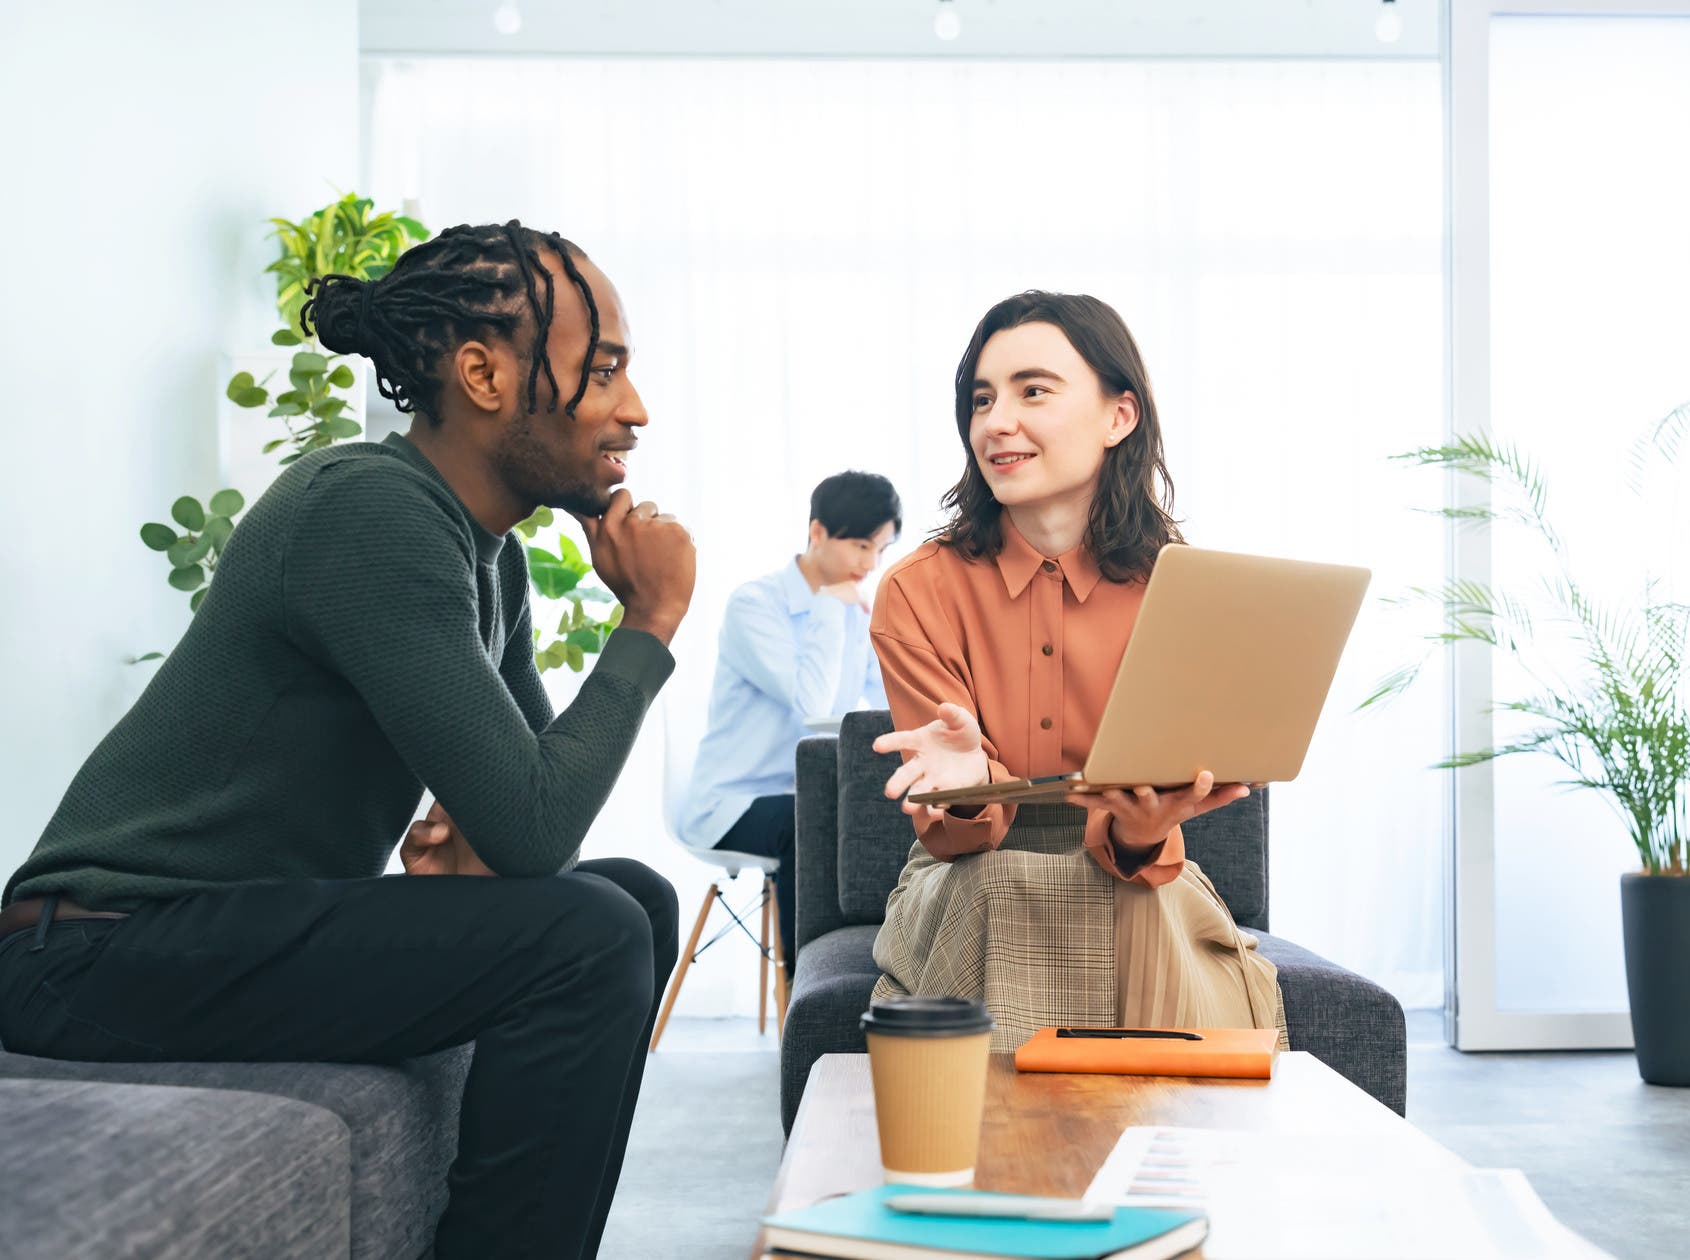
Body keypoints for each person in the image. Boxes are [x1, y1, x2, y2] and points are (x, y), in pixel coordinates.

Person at [0, 221, 694, 1260]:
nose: (633, 411)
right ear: (483, 374)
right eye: (602, 372)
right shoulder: (369, 509)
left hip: (215, 930)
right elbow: (536, 827)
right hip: (96, 950)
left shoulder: (485, 560)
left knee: (629, 900)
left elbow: (528, 814)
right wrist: (645, 625)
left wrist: (484, 843)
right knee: (587, 936)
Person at [867, 291, 1289, 1051]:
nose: (996, 422)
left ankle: (1156, 1160)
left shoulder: (1181, 591)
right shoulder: (915, 591)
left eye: (1033, 391)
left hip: (1138, 869)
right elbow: (965, 843)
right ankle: (1010, 1159)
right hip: (970, 870)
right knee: (1004, 887)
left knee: (1130, 897)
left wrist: (1138, 832)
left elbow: (1142, 848)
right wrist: (965, 794)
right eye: (982, 399)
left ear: (1118, 416)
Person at [678, 472, 901, 967]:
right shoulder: (755, 606)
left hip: (807, 793)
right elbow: (812, 707)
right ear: (817, 532)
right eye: (862, 546)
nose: (869, 564)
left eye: (880, 551)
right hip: (732, 804)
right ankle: (807, 983)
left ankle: (872, 973)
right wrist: (828, 608)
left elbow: (890, 699)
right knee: (814, 822)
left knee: (884, 812)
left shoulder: (852, 607)